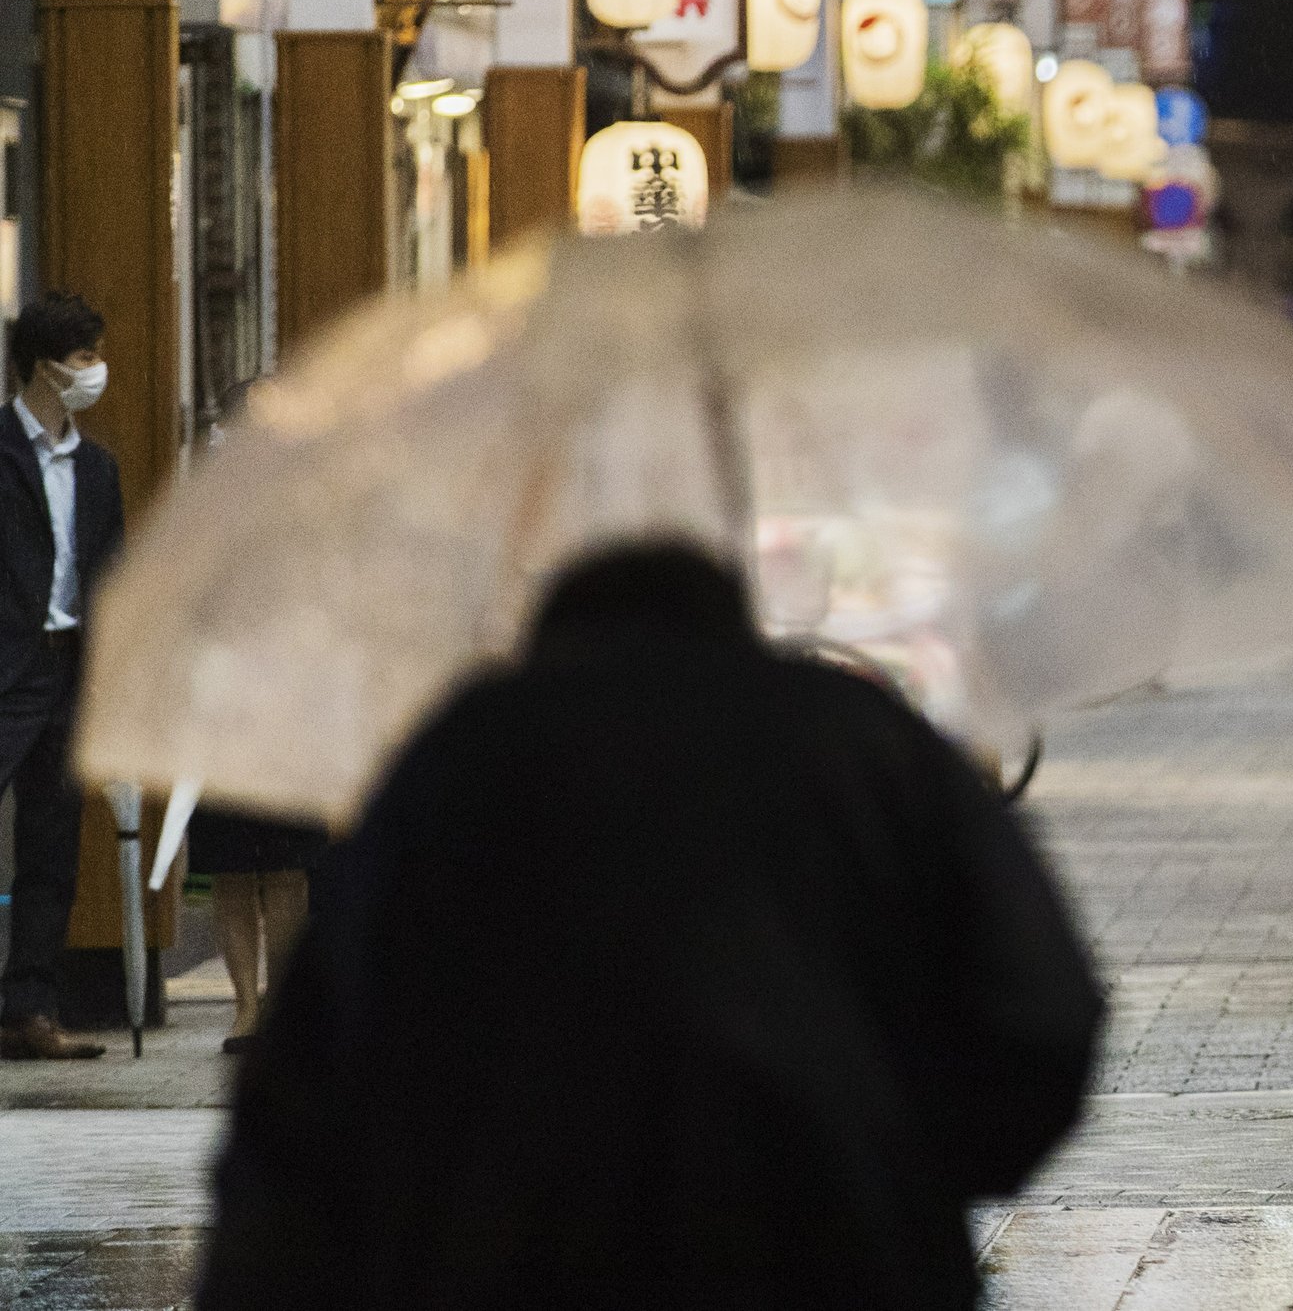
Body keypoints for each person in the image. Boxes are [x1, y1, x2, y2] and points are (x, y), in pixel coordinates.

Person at [196, 541, 1104, 1311]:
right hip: (829, 1243)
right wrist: (911, 1169)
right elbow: (1043, 1006)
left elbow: (316, 1066)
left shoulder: (468, 752)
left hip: (514, 1245)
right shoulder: (861, 740)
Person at [0, 292, 120, 1061]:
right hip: (5, 667)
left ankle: (27, 1011)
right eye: (84, 359)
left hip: (67, 668)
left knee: (51, 846)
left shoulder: (98, 466)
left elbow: (109, 570)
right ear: (45, 368)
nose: (95, 372)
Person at [185, 801, 328, 1053]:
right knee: (230, 871)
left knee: (288, 871)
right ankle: (246, 1007)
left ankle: (280, 1004)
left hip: (291, 766)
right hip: (223, 767)